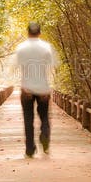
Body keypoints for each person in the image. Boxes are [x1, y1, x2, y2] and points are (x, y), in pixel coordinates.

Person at [14, 22, 57, 158]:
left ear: (28, 32)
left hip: (27, 89)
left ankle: (29, 149)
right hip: (43, 88)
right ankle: (44, 135)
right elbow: (54, 65)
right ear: (39, 32)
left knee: (28, 119)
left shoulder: (21, 47)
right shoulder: (46, 47)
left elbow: (14, 66)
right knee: (44, 116)